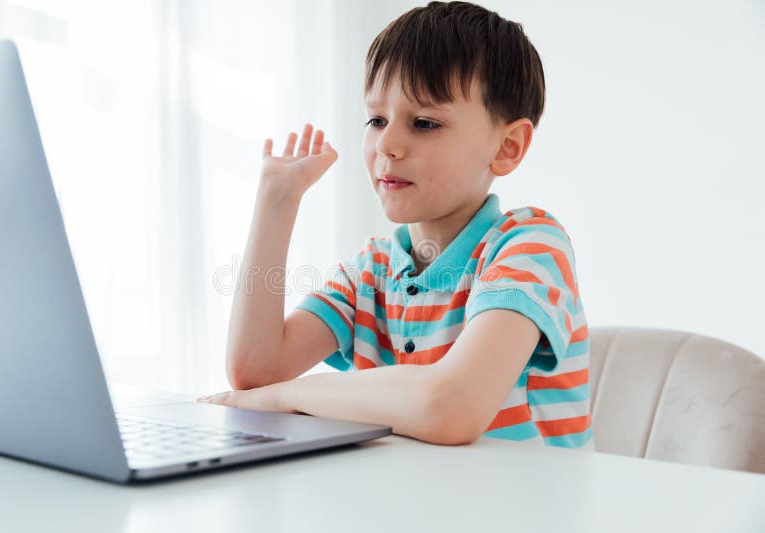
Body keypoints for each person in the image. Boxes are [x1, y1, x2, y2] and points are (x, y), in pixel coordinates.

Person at [198, 1, 592, 449]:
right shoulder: (371, 270)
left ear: (507, 146)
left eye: (424, 123)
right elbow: (256, 372)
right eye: (376, 120)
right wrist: (277, 202)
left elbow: (453, 406)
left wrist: (289, 397)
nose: (386, 143)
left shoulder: (532, 245)